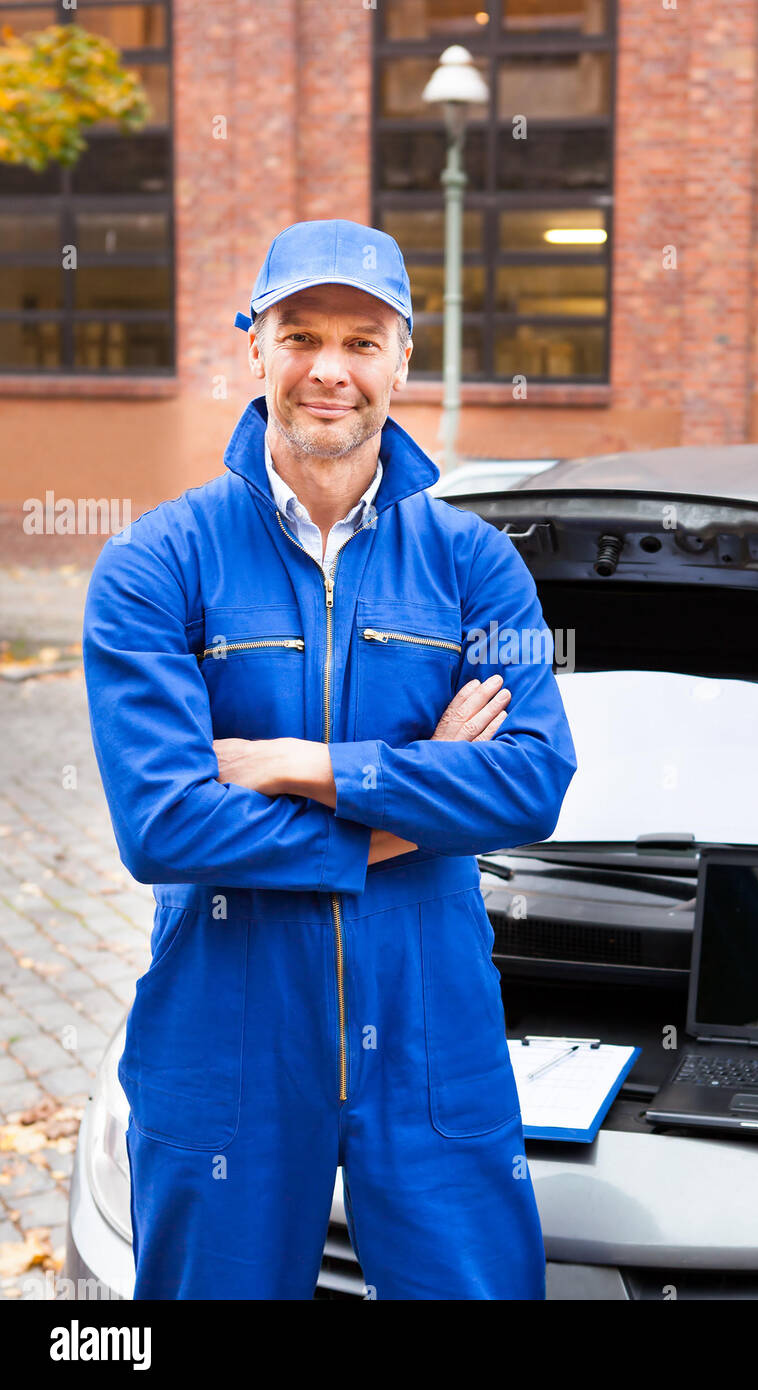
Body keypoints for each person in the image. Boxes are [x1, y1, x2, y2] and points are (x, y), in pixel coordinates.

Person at [81, 218, 578, 1300]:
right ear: (253, 344)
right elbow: (165, 826)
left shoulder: (476, 564)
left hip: (432, 1031)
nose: (329, 370)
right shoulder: (154, 565)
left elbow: (533, 779)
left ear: (405, 356)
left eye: (362, 340)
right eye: (301, 334)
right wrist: (423, 799)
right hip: (224, 1035)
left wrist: (301, 763)